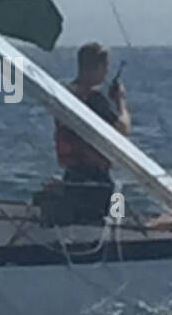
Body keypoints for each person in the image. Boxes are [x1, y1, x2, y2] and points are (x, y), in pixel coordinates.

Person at [52, 42, 130, 224]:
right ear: (99, 66)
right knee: (102, 221)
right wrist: (120, 102)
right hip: (95, 178)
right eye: (106, 67)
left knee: (77, 222)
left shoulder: (65, 94)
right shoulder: (95, 99)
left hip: (72, 175)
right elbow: (123, 129)